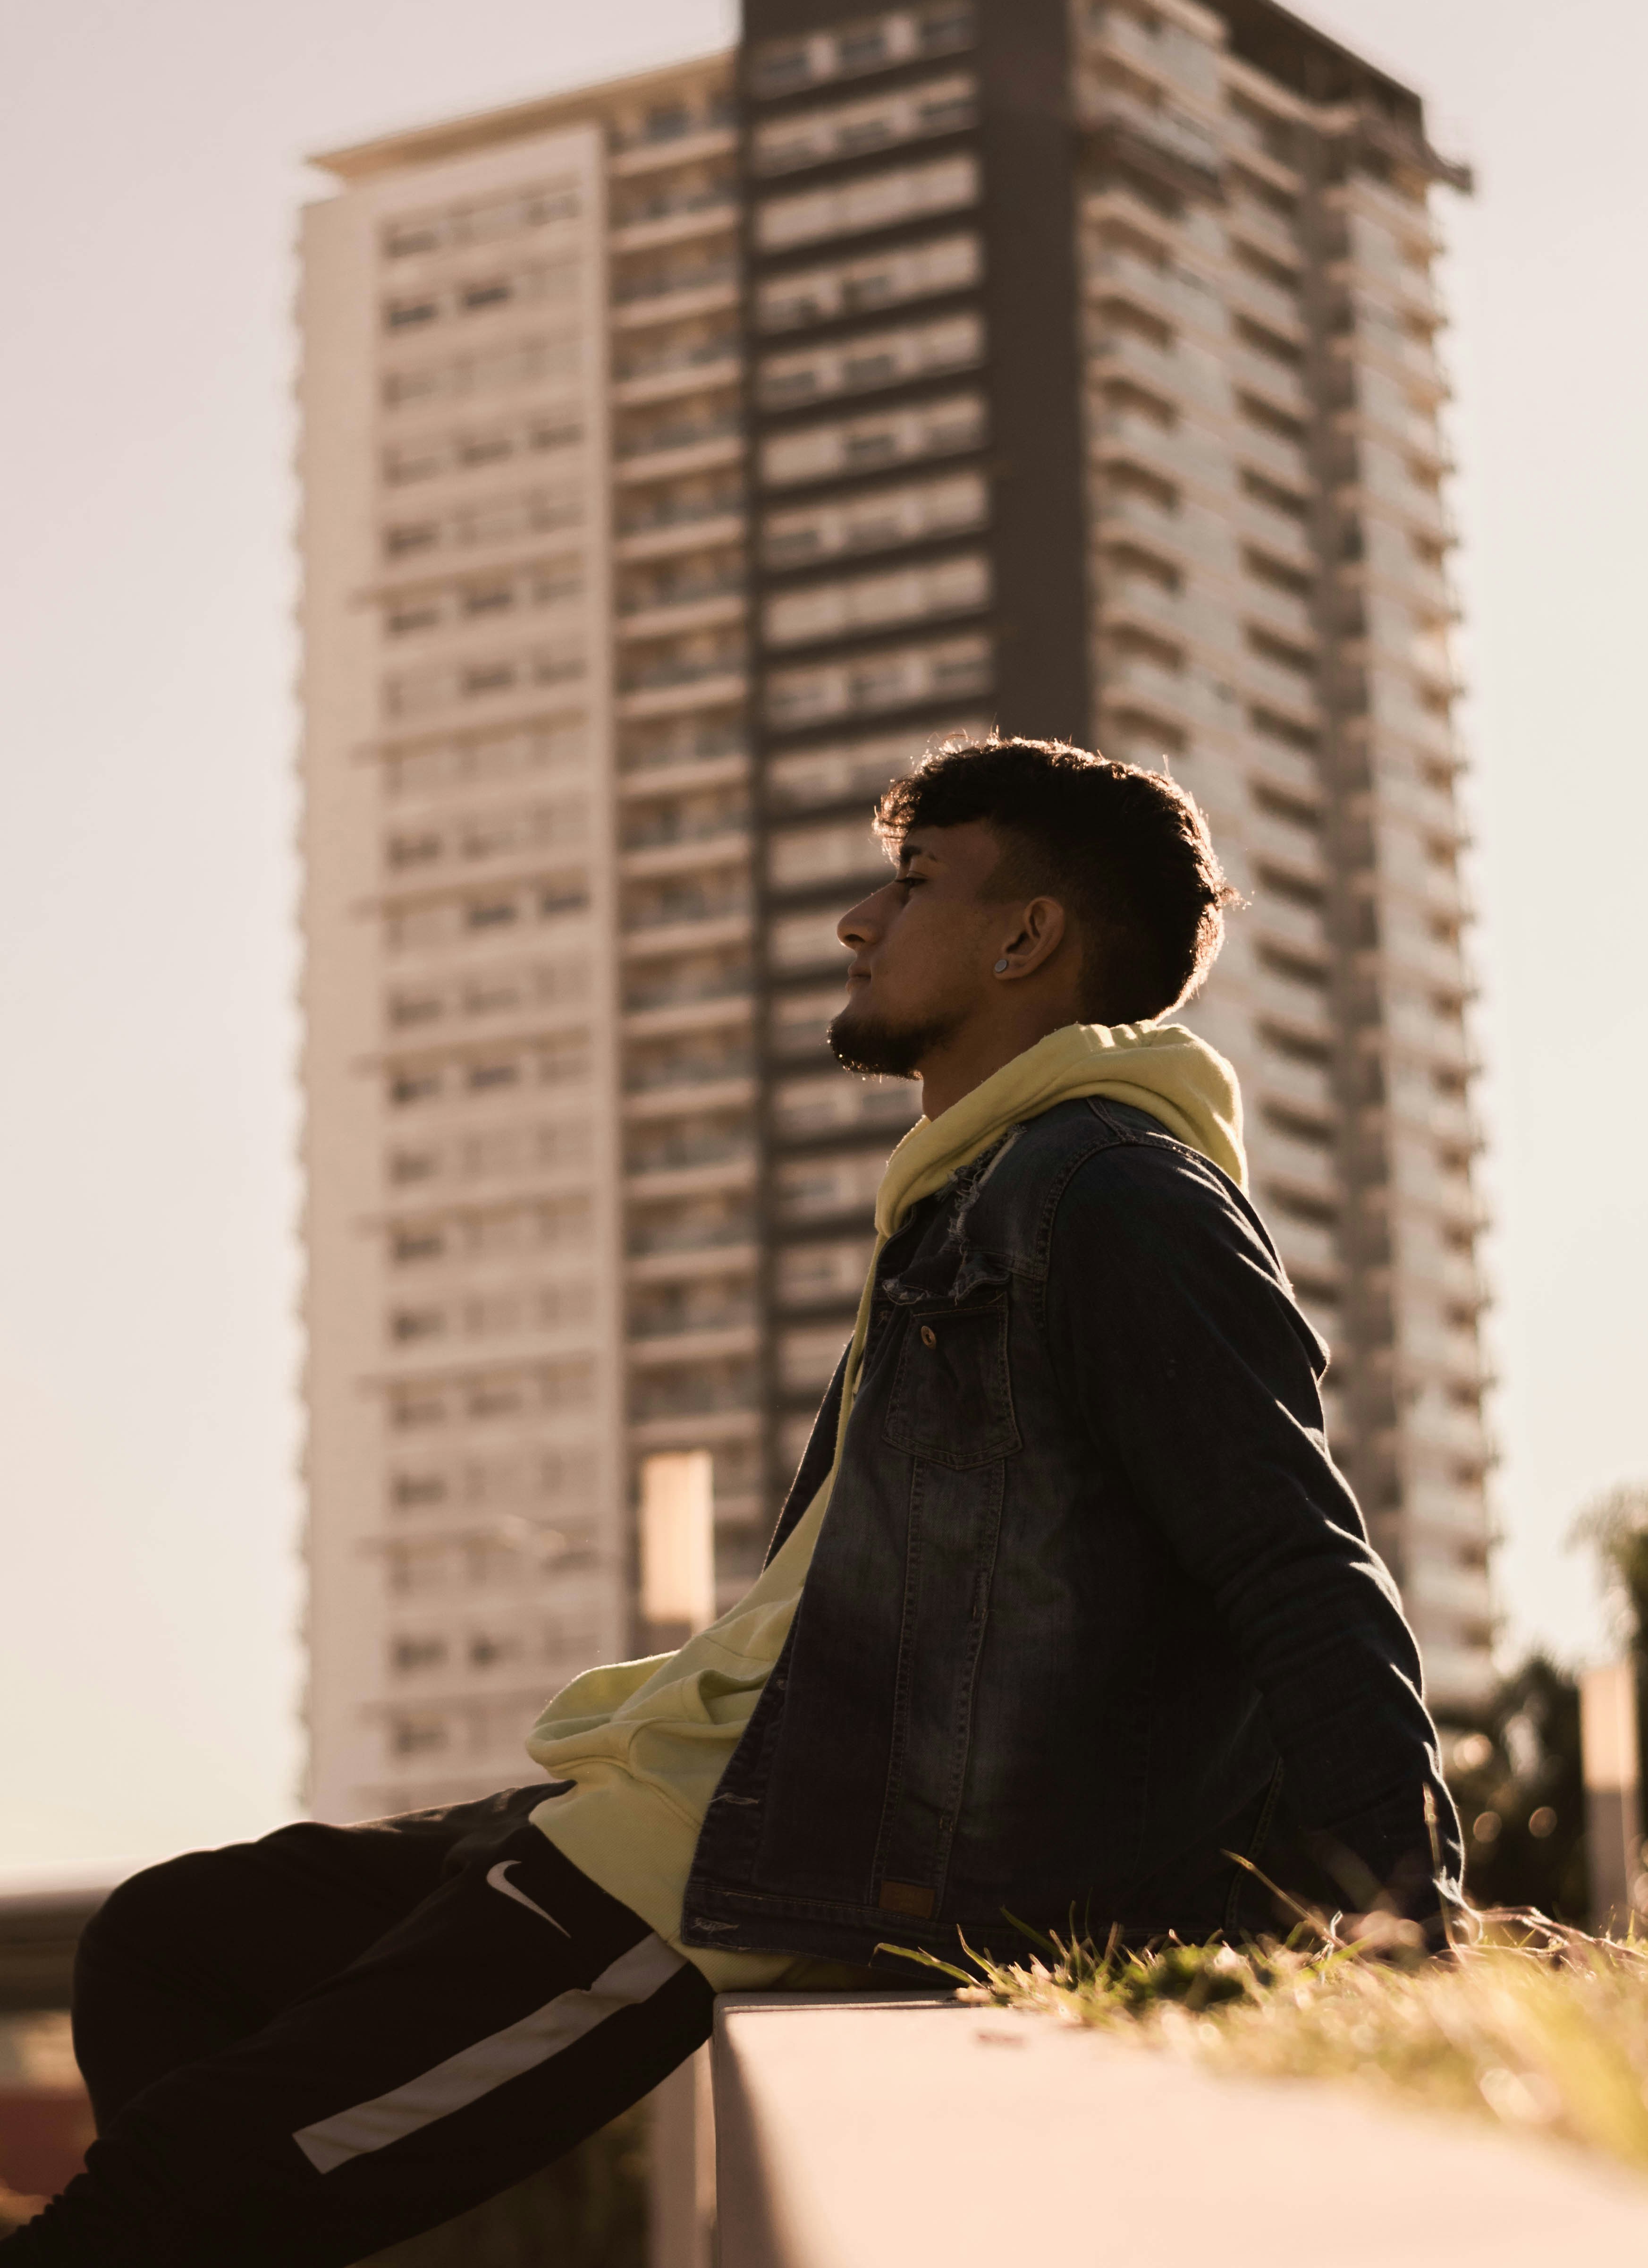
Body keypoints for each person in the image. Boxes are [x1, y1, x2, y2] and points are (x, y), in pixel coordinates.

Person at [6, 735, 1462, 2264]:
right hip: (689, 1789)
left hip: (747, 1871)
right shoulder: (979, 1193)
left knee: (167, 2193)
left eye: (910, 887)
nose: (856, 922)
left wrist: (1404, 1913)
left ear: (1026, 938)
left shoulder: (1108, 1197)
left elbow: (1295, 1560)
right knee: (168, 1943)